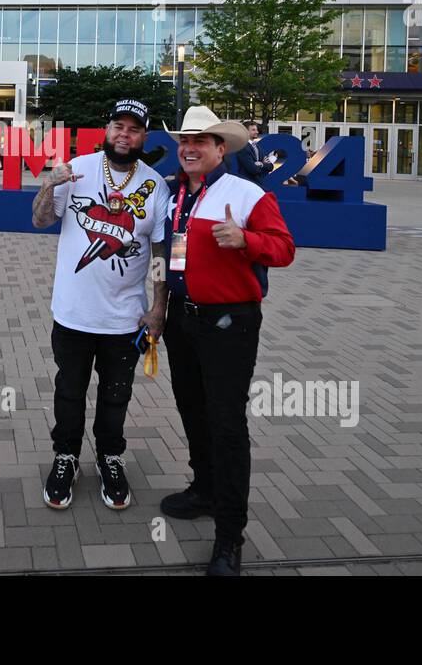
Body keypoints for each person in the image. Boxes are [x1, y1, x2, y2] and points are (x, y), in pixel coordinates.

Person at [157, 105, 296, 576]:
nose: (190, 148)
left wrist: (247, 240)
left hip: (229, 323)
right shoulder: (176, 195)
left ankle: (229, 536)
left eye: (201, 141)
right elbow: (167, 256)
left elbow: (285, 249)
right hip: (182, 319)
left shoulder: (248, 194)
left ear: (221, 148)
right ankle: (205, 489)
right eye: (185, 142)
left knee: (226, 424)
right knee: (192, 409)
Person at [31, 99, 170, 511]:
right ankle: (66, 457)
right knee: (69, 391)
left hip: (125, 318)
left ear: (144, 137)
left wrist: (159, 307)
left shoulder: (155, 185)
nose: (124, 135)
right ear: (106, 130)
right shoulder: (77, 169)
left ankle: (110, 457)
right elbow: (40, 221)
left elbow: (160, 251)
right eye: (117, 126)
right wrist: (47, 184)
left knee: (116, 395)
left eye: (133, 129)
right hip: (73, 312)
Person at [231, 121, 273, 186]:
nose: (257, 132)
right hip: (247, 184)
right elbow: (253, 169)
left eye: (256, 130)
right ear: (245, 132)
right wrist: (264, 166)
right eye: (253, 130)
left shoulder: (257, 146)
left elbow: (270, 167)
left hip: (258, 184)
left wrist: (261, 164)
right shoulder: (243, 147)